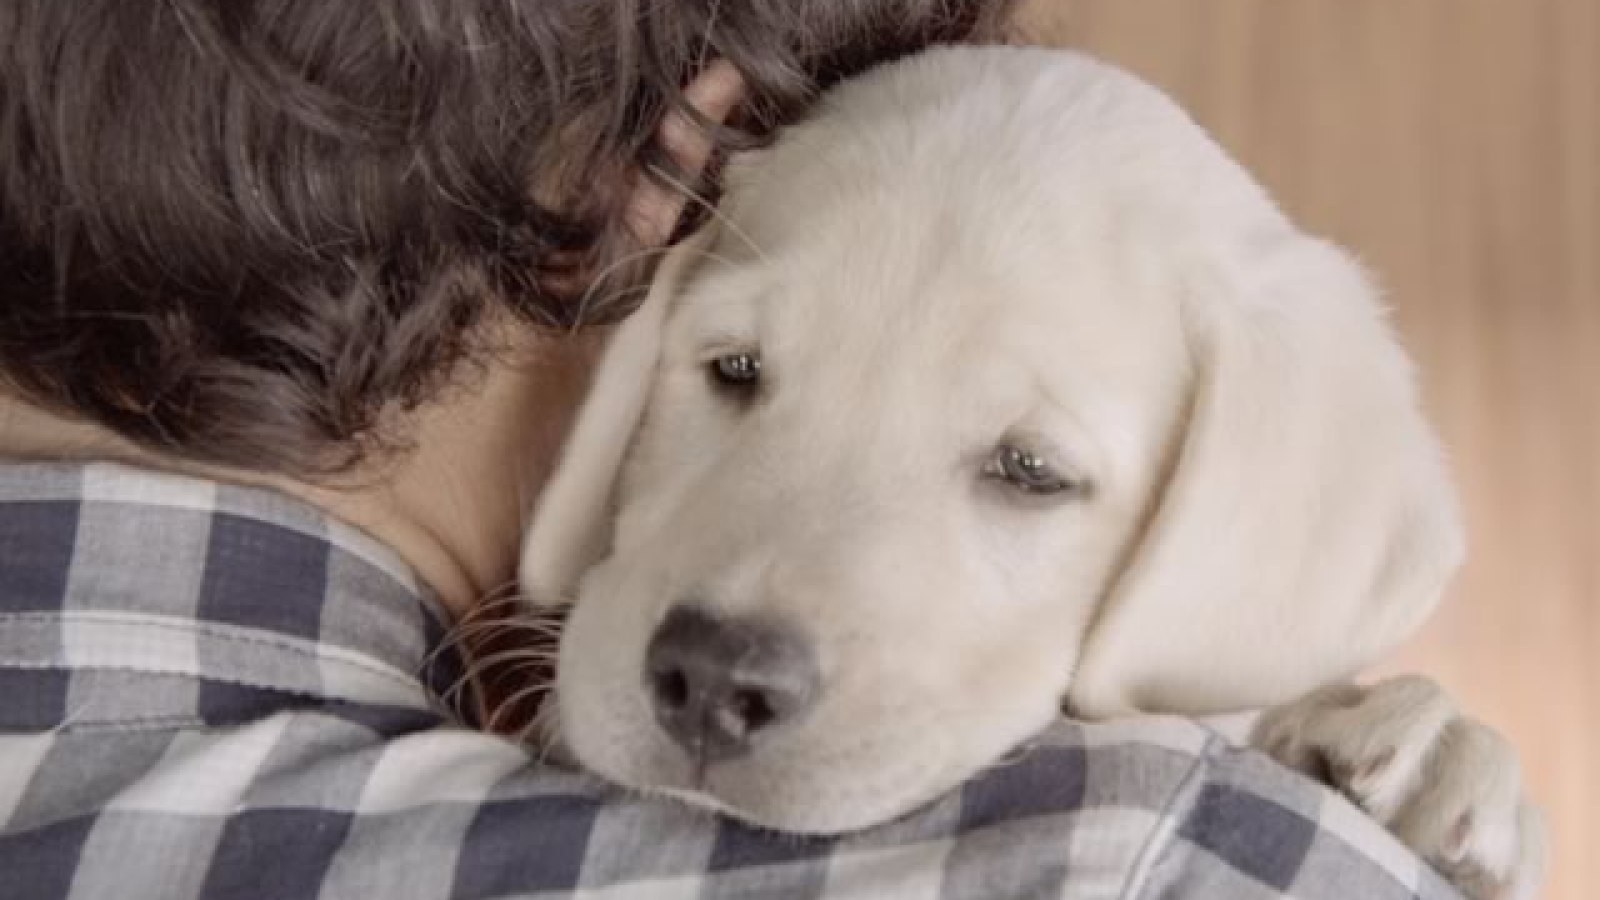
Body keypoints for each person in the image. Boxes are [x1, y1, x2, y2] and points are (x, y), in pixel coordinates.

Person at [0, 3, 1463, 898]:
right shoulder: (1183, 870)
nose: (743, 625)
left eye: (1024, 469)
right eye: (741, 372)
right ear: (656, 183)